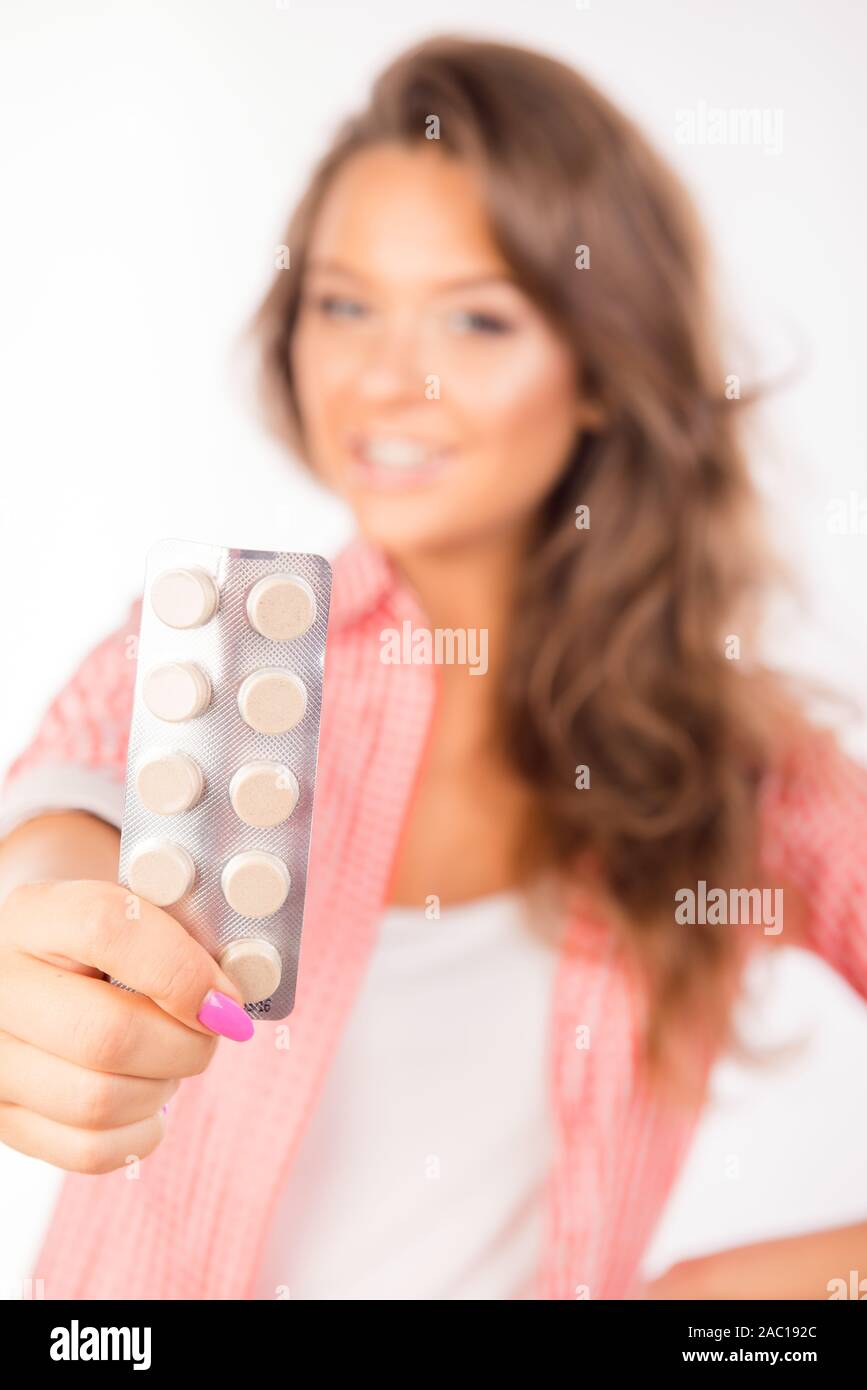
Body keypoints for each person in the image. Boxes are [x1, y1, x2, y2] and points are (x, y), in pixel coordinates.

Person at [0, 35, 865, 1301]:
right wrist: (50, 936)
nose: (383, 378)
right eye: (344, 303)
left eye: (476, 315)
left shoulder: (737, 771)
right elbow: (55, 816)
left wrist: (726, 1308)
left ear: (601, 375)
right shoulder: (208, 646)